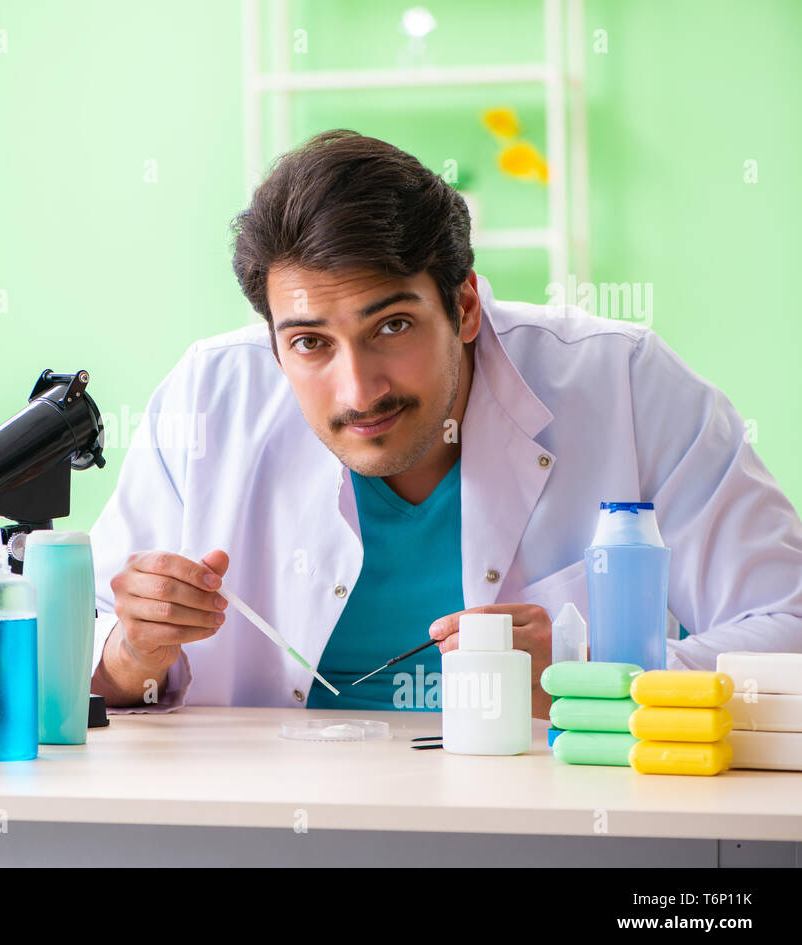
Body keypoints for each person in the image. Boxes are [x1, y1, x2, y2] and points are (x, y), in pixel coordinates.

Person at [87, 130, 802, 720]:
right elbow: (75, 658)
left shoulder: (626, 384)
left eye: (391, 325)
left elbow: (790, 629)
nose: (358, 388)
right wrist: (130, 651)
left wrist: (595, 673)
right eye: (309, 342)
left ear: (464, 307)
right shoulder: (208, 398)